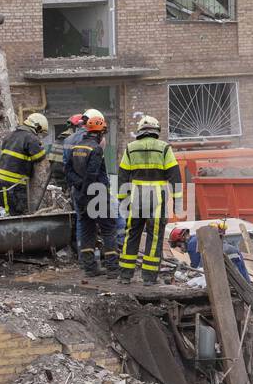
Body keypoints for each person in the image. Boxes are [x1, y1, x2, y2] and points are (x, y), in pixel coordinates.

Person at [116, 115, 183, 285]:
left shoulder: (130, 148)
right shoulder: (164, 148)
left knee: (132, 234)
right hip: (157, 198)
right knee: (154, 237)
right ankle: (149, 278)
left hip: (136, 197)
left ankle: (125, 275)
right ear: (156, 130)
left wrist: (123, 201)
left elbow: (122, 176)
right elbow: (175, 176)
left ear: (140, 131)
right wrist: (178, 202)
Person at [65, 112, 117, 276]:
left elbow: (68, 171)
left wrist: (80, 189)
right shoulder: (96, 149)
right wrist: (88, 191)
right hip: (97, 195)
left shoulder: (77, 147)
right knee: (108, 229)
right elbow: (92, 173)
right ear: (100, 131)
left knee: (87, 231)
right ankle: (113, 268)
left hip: (81, 196)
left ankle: (89, 268)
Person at [0, 113, 49, 216]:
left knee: (8, 214)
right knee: (10, 217)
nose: (39, 135)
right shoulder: (30, 138)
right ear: (37, 126)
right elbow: (39, 156)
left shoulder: (10, 135)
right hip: (11, 186)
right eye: (40, 132)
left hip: (1, 183)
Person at [169, 224, 251, 284]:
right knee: (242, 277)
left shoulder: (192, 244)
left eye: (179, 245)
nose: (181, 249)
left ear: (183, 238)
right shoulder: (197, 238)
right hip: (231, 251)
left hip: (223, 253)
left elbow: (198, 270)